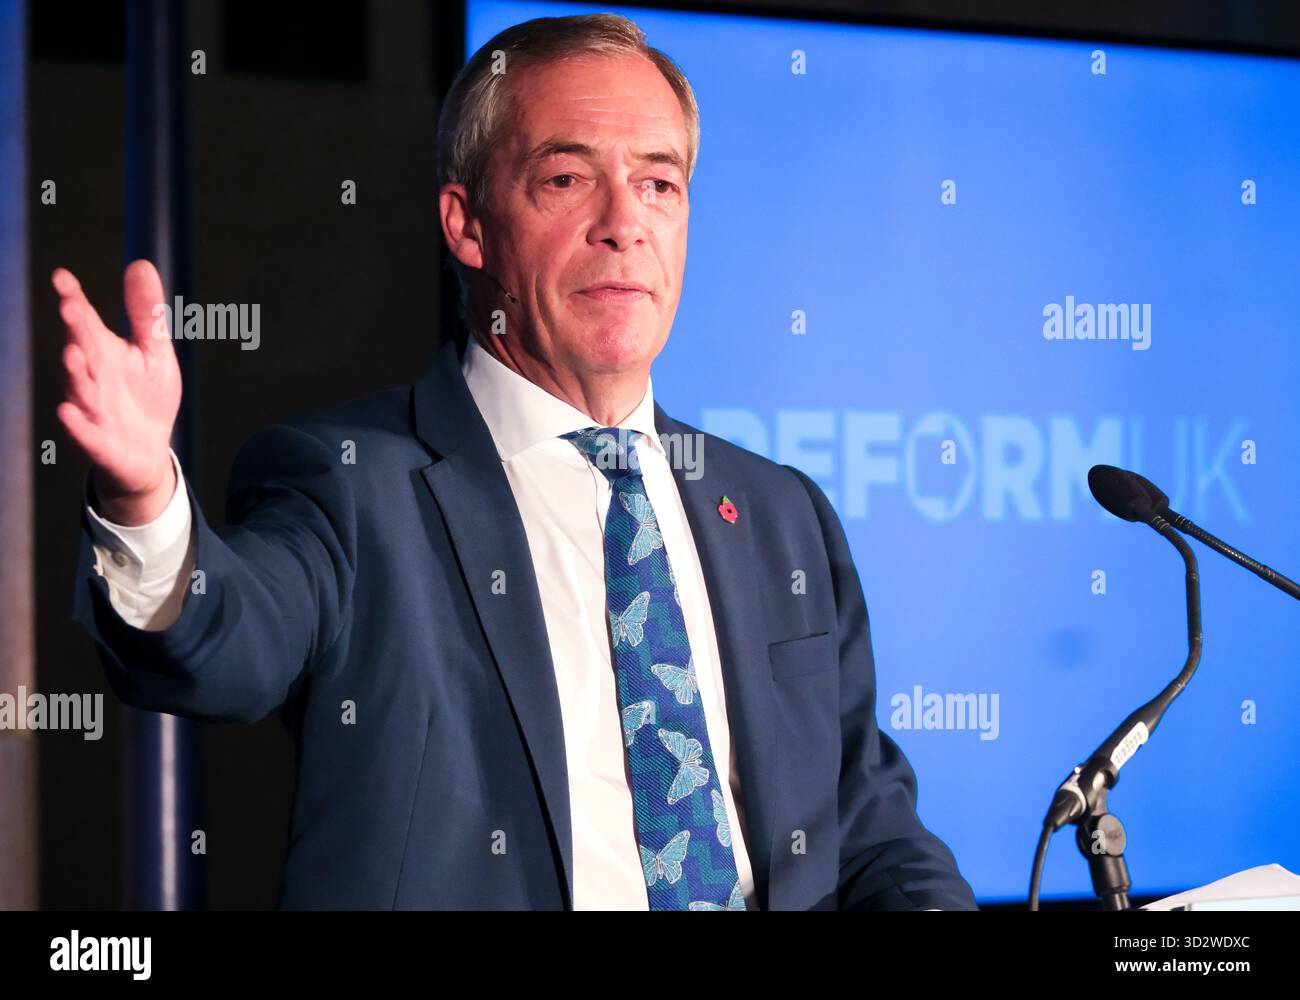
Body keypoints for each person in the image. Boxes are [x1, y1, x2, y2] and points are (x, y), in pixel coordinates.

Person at [55, 12, 977, 911]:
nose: (626, 224)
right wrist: (143, 498)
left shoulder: (782, 513)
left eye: (659, 184)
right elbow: (224, 650)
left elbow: (865, 823)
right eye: (568, 178)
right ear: (467, 224)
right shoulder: (349, 481)